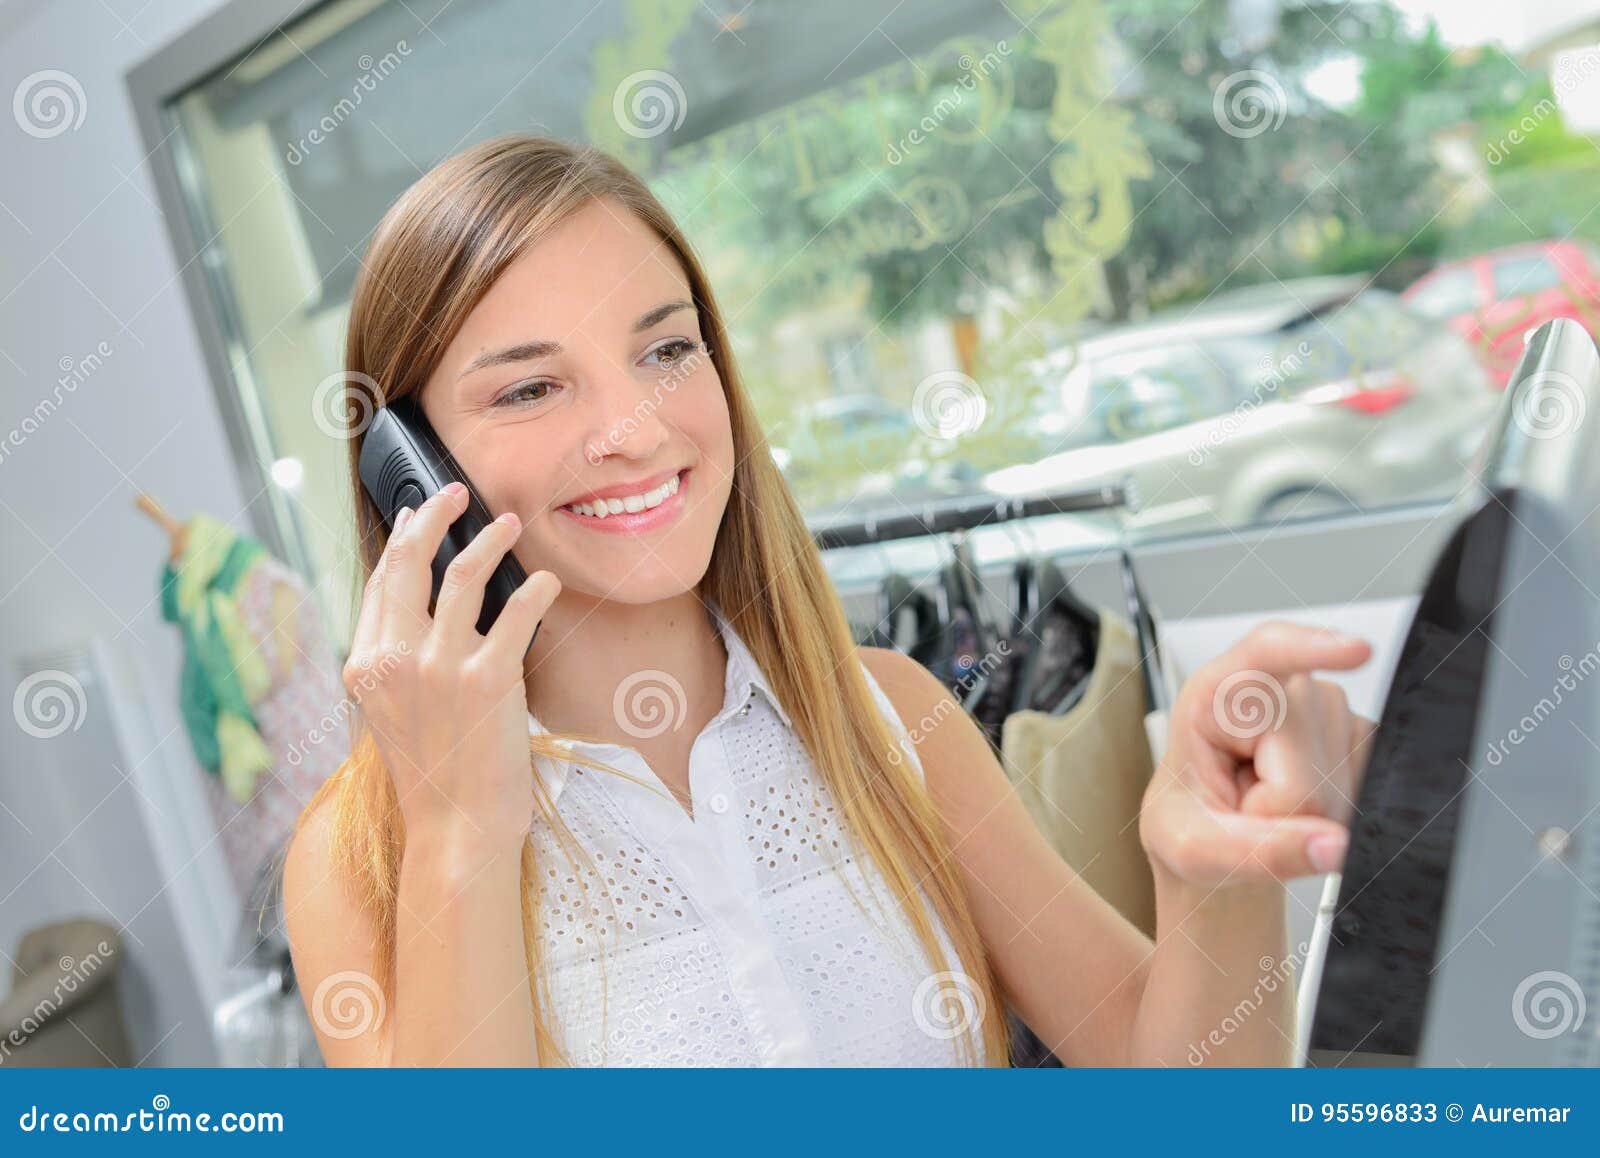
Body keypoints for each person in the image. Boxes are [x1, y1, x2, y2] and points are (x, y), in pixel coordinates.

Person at [282, 133, 1377, 1068]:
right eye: (529, 387)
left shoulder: (891, 719)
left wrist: (1207, 875)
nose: (636, 430)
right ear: (408, 465)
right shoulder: (363, 856)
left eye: (665, 349)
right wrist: (463, 830)